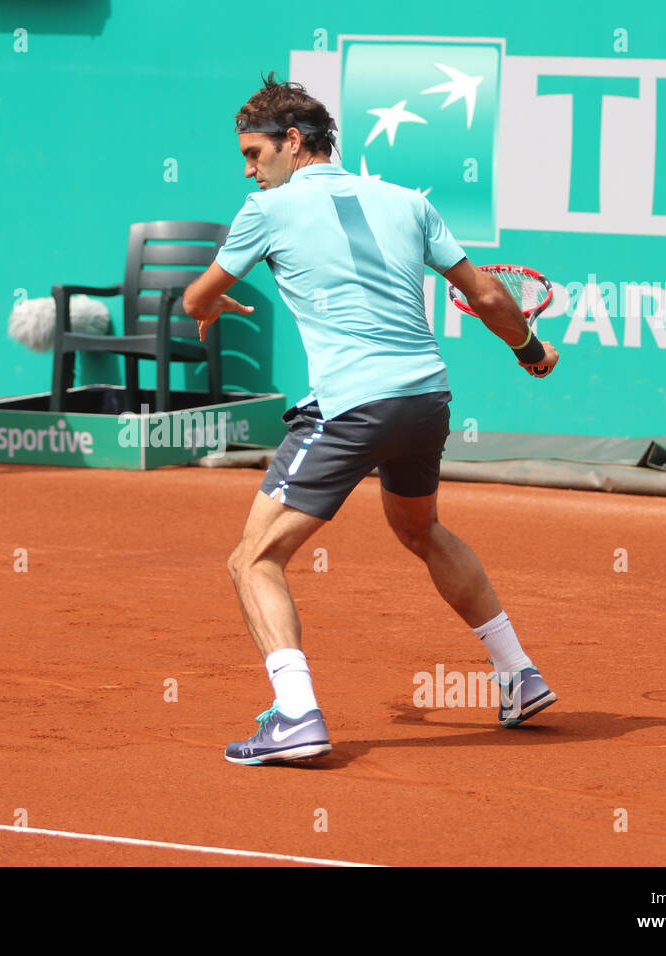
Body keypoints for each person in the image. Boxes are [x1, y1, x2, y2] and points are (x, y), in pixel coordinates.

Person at [182, 74, 560, 766]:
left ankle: (295, 715)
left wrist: (209, 307)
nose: (247, 167)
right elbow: (484, 294)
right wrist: (530, 351)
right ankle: (518, 675)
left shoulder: (264, 210)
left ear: (293, 143)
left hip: (351, 407)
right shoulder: (409, 202)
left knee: (254, 559)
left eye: (253, 151)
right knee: (420, 528)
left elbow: (196, 297)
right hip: (424, 401)